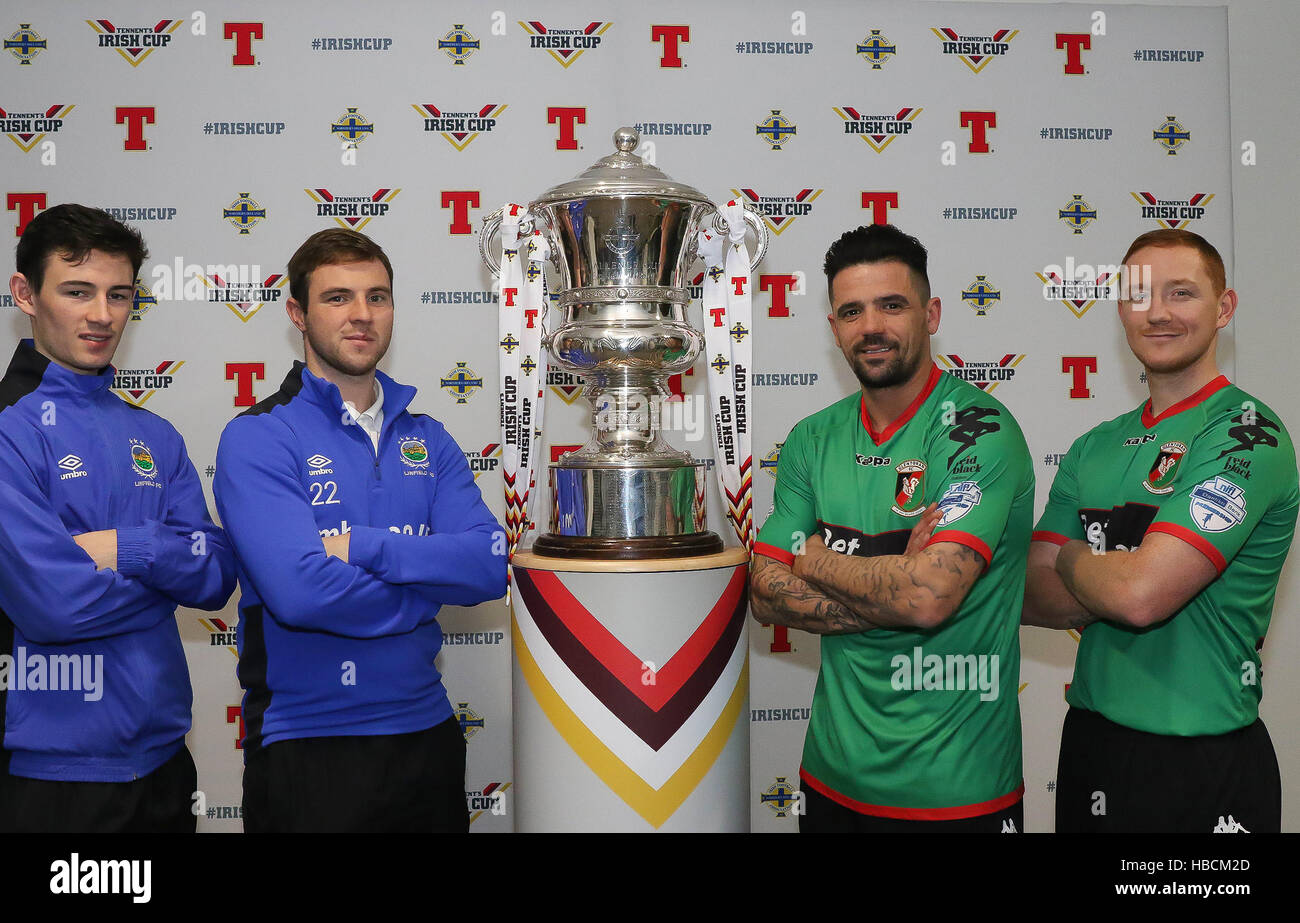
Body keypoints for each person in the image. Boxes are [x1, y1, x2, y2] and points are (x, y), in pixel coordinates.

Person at [213, 228, 506, 833]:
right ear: (297, 312)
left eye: (378, 297)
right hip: (310, 743)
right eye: (338, 297)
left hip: (428, 734)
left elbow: (486, 566)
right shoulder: (259, 436)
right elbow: (300, 593)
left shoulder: (430, 436)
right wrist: (427, 588)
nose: (361, 316)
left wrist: (364, 548)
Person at [750, 224, 1033, 832]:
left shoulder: (979, 431)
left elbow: (928, 597)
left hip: (958, 791)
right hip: (831, 783)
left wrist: (818, 560)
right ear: (833, 329)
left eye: (892, 305)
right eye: (851, 311)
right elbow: (763, 591)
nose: (870, 326)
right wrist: (894, 583)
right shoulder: (811, 439)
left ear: (931, 314)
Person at [1024, 229, 1297, 833]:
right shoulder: (1093, 446)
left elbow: (1140, 597)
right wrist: (1123, 570)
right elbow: (1028, 593)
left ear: (1223, 309)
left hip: (1204, 763)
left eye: (1182, 293)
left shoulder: (1249, 434)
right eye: (1140, 294)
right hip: (1092, 745)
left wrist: (1071, 556)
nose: (1159, 313)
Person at [0, 203, 236, 832]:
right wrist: (166, 573)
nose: (102, 315)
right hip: (49, 777)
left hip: (163, 765)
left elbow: (214, 577)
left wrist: (126, 549)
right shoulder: (9, 429)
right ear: (25, 293)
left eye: (119, 295)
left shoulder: (154, 432)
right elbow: (52, 607)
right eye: (77, 292)